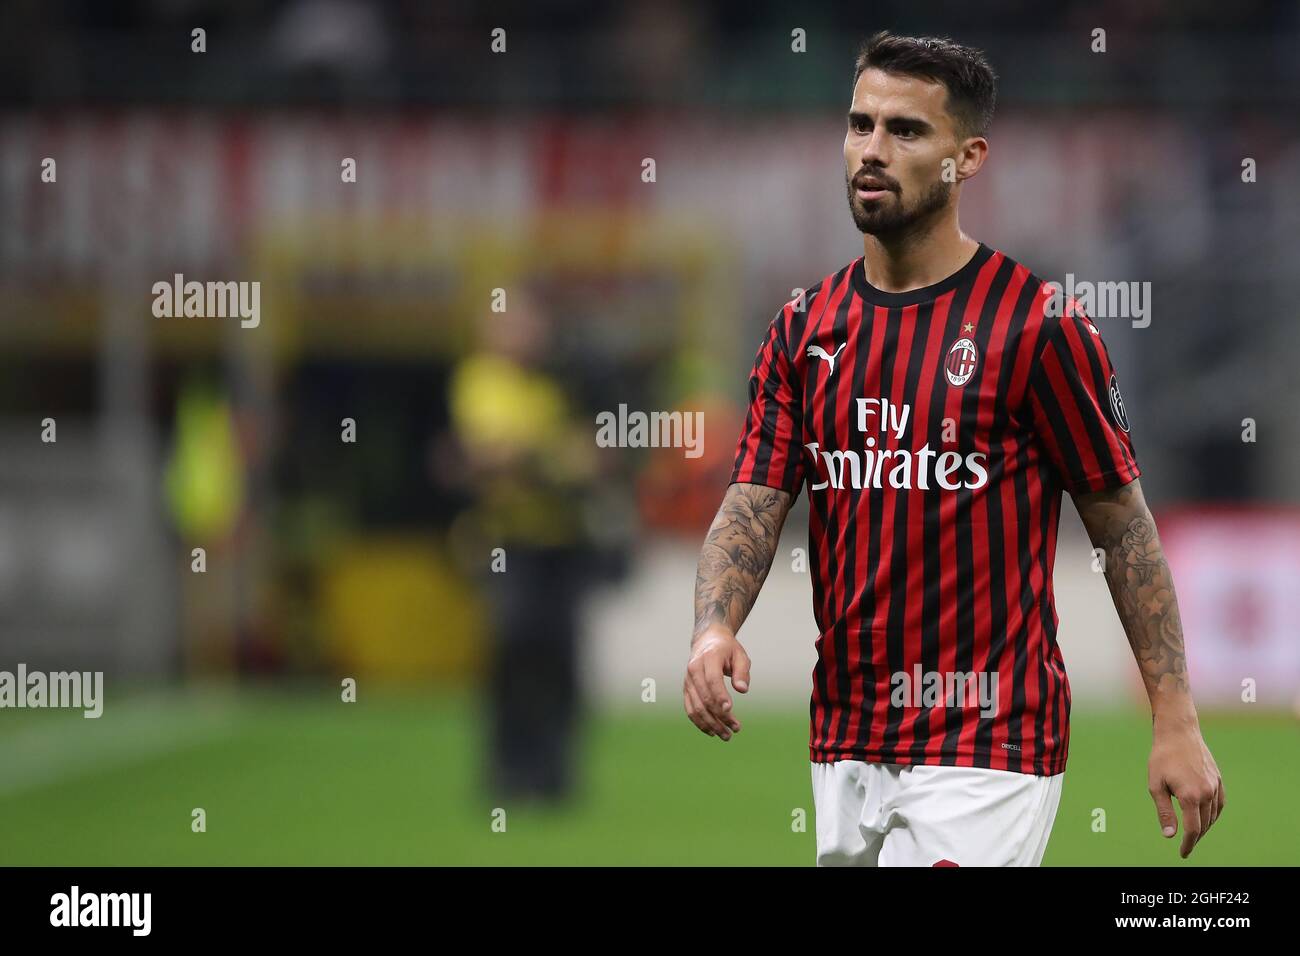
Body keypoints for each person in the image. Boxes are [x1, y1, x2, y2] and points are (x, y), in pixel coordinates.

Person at [684, 32, 1224, 866]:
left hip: (991, 737)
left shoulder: (1040, 327)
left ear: (966, 158)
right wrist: (714, 628)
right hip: (847, 738)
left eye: (905, 131)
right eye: (860, 124)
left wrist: (1175, 716)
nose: (871, 150)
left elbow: (1122, 528)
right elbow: (753, 500)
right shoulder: (804, 330)